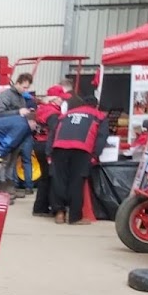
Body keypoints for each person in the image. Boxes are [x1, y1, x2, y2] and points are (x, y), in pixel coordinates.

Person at [47, 96, 109, 225]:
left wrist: (49, 153)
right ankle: (75, 216)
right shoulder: (99, 116)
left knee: (59, 179)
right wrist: (95, 155)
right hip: (82, 149)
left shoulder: (65, 115)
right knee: (77, 181)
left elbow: (52, 133)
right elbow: (101, 138)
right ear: (96, 106)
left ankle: (59, 213)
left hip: (59, 147)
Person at [32, 85, 72, 216]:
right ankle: (51, 207)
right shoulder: (53, 114)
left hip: (38, 143)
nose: (63, 101)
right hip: (47, 145)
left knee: (45, 177)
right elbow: (55, 131)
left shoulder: (42, 109)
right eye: (61, 98)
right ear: (54, 99)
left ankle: (40, 207)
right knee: (51, 177)